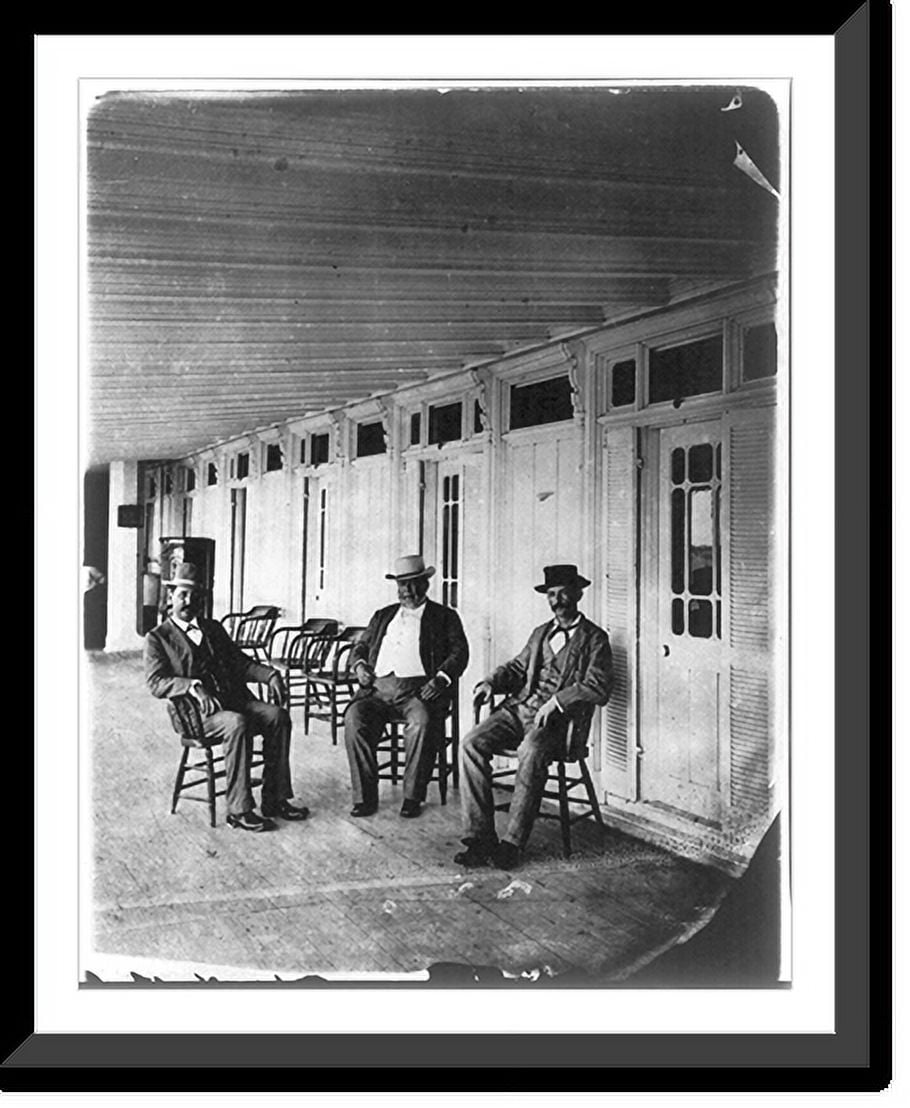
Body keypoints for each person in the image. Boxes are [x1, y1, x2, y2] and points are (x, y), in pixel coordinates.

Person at [454, 564, 612, 870]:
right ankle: (479, 839)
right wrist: (491, 682)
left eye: (564, 592)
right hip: (519, 710)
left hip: (558, 724)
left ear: (578, 593)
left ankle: (511, 844)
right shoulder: (541, 633)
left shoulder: (595, 639)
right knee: (470, 744)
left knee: (530, 750)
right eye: (551, 594)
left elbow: (599, 687)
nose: (557, 600)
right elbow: (516, 668)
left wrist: (558, 701)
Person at [144, 562, 309, 833]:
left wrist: (270, 675)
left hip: (233, 700)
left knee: (277, 716)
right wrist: (192, 686)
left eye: (195, 595)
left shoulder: (213, 628)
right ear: (170, 597)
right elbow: (156, 682)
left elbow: (240, 664)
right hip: (196, 714)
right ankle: (239, 809)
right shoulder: (158, 638)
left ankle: (276, 799)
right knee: (236, 723)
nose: (189, 601)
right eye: (182, 594)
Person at [344, 554, 469, 819]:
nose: (407, 591)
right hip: (377, 691)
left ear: (426, 584)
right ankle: (364, 797)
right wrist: (359, 666)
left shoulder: (444, 616)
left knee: (422, 722)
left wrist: (441, 679)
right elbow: (360, 647)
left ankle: (412, 796)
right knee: (354, 718)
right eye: (402, 584)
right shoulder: (382, 615)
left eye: (414, 584)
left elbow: (460, 652)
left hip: (418, 692)